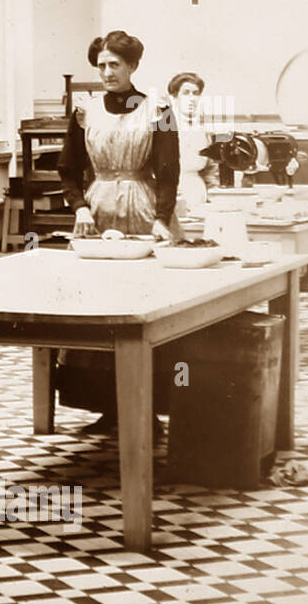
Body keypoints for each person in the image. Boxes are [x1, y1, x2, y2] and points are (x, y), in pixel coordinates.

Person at [56, 30, 181, 432]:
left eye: (115, 65)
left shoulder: (158, 109)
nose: (107, 72)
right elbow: (67, 167)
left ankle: (150, 410)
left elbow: (168, 170)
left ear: (132, 67)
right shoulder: (83, 111)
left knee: (145, 310)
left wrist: (162, 217)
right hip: (98, 212)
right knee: (98, 309)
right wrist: (79, 205)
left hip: (144, 210)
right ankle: (108, 407)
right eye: (101, 65)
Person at [168, 71, 220, 217]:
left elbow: (211, 168)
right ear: (174, 96)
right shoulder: (162, 126)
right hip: (171, 192)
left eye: (195, 93)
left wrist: (213, 195)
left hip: (197, 191)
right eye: (186, 93)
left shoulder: (203, 129)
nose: (191, 99)